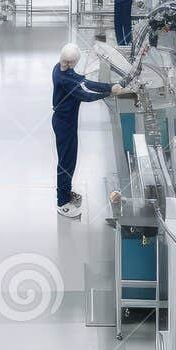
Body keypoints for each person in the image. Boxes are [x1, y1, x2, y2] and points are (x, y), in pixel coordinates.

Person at [52, 42, 123, 218]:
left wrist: (109, 86)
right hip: (64, 124)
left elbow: (84, 82)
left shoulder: (60, 67)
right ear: (72, 62)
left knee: (69, 161)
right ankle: (62, 202)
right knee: (66, 163)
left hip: (66, 121)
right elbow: (87, 95)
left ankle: (65, 192)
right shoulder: (66, 79)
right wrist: (109, 92)